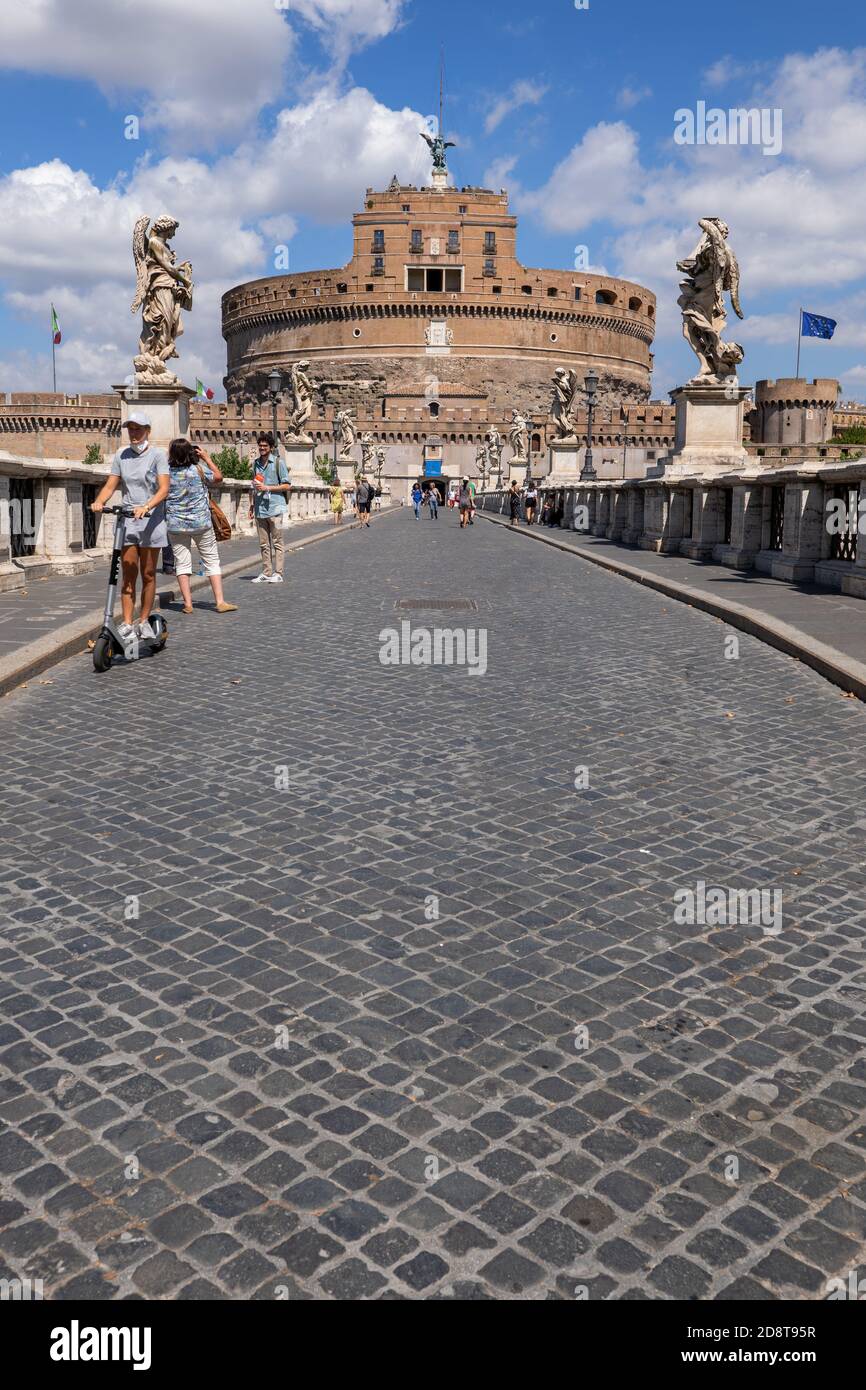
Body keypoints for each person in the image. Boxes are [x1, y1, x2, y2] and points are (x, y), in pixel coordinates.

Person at [91, 411, 170, 642]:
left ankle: (144, 620)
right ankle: (127, 622)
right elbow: (110, 485)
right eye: (130, 429)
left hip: (151, 519)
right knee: (127, 573)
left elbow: (164, 488)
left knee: (147, 573)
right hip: (128, 519)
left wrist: (147, 506)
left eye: (137, 429)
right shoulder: (121, 455)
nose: (133, 433)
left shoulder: (158, 455)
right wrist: (99, 501)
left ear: (148, 430)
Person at [165, 439, 237, 615]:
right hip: (201, 523)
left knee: (182, 564)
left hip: (176, 524)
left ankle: (188, 604)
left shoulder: (167, 473)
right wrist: (206, 458)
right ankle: (219, 602)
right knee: (211, 561)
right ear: (192, 453)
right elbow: (219, 477)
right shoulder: (198, 470)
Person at [250, 433, 291, 584]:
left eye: (265, 446)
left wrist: (268, 487)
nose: (262, 448)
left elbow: (287, 485)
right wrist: (252, 504)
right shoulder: (255, 464)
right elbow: (253, 485)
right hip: (260, 508)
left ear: (271, 447)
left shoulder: (279, 463)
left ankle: (278, 573)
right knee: (263, 543)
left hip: (276, 509)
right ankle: (267, 572)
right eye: (260, 446)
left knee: (278, 542)